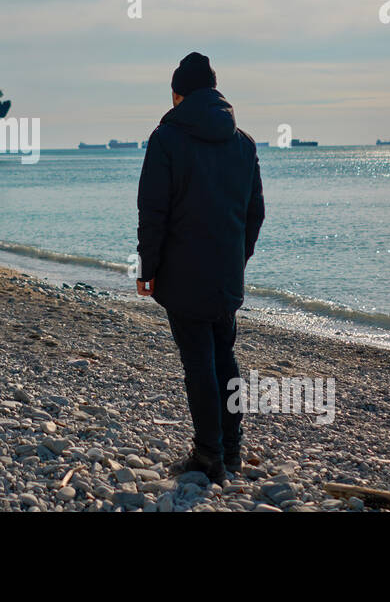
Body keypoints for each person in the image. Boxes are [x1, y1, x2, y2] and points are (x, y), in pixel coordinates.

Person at [136, 52, 264, 484]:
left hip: (182, 275)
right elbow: (255, 213)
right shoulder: (244, 143)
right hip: (226, 274)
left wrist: (147, 268)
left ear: (178, 94)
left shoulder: (166, 139)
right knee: (224, 357)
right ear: (214, 92)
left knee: (199, 363)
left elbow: (153, 211)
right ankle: (231, 449)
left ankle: (208, 454)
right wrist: (238, 258)